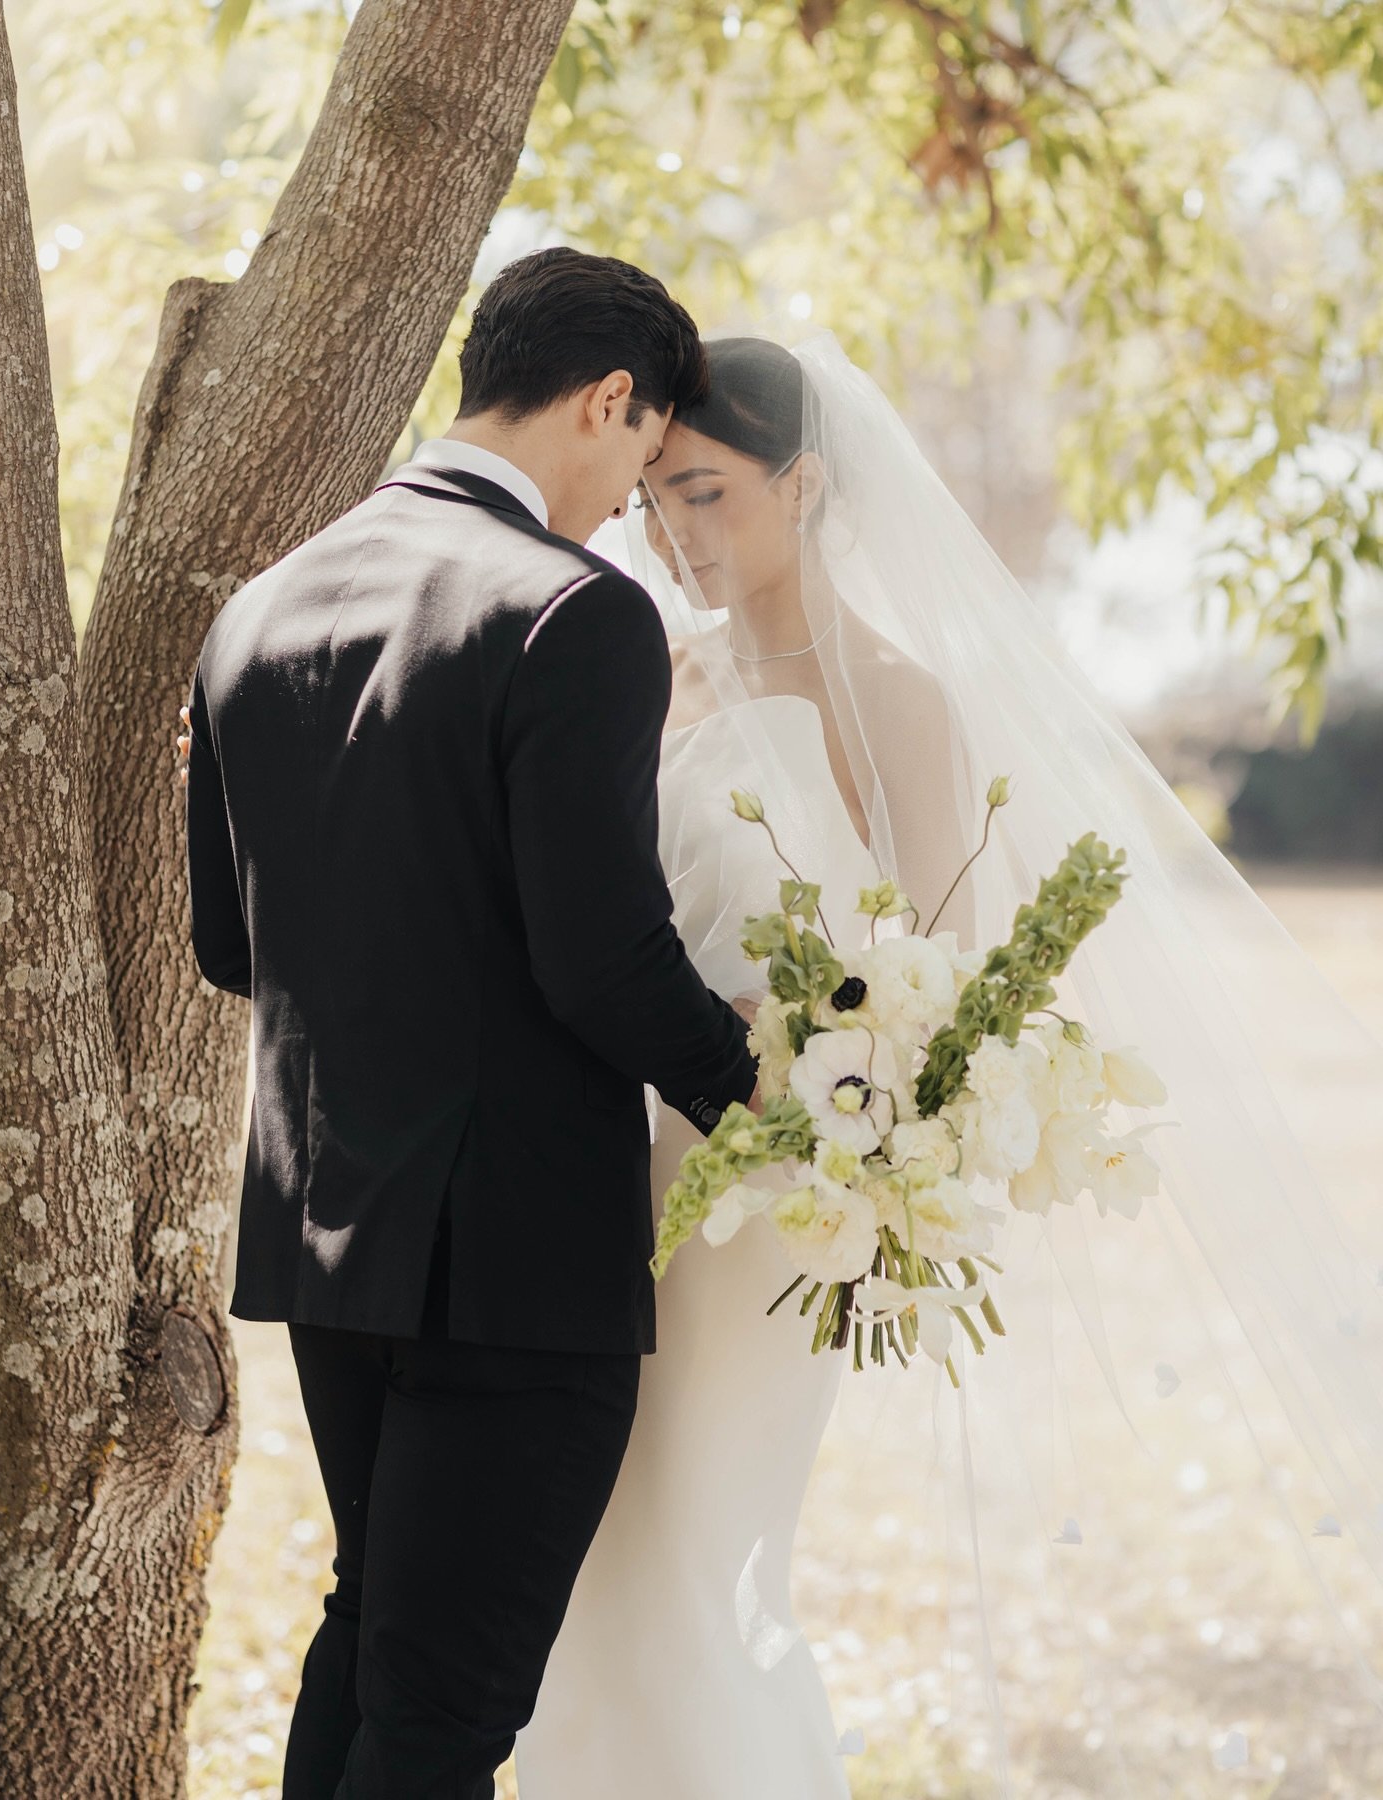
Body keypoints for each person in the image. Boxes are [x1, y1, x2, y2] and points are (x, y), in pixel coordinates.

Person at [517, 334, 1383, 1794]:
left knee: (688, 1559)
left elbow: (941, 993)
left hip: (775, 1210)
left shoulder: (905, 703)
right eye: (653, 504)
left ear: (808, 483)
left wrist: (839, 1115)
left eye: (707, 495)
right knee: (585, 1569)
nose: (674, 538)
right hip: (616, 1179)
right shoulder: (657, 679)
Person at [181, 249, 762, 1800]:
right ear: (612, 399)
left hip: (324, 1234)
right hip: (516, 1259)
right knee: (442, 1717)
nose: (635, 498)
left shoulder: (258, 609)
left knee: (377, 1636)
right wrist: (765, 1093)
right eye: (644, 455)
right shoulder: (576, 614)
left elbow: (228, 946)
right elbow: (605, 963)